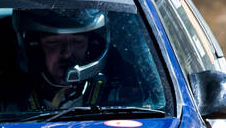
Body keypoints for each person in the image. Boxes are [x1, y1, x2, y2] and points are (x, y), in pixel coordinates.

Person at [12, 8, 142, 112]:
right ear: (35, 48)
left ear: (91, 46)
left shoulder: (121, 100)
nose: (66, 53)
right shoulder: (8, 100)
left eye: (77, 41)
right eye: (53, 42)